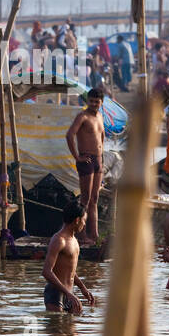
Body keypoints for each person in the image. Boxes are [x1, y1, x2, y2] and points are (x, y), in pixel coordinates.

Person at [66, 87, 106, 245]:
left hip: (98, 160)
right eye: (91, 101)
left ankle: (94, 235)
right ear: (87, 101)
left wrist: (101, 157)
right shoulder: (82, 116)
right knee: (85, 199)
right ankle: (81, 235)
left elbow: (102, 136)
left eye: (97, 102)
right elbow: (69, 134)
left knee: (95, 199)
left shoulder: (100, 117)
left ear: (101, 103)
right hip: (86, 160)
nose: (94, 104)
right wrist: (77, 156)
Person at [42, 202, 95, 313]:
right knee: (57, 327)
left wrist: (82, 288)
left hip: (69, 293)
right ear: (77, 220)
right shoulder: (59, 240)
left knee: (71, 329)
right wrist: (68, 293)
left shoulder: (74, 241)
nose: (84, 224)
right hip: (55, 294)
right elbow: (46, 271)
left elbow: (70, 271)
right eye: (83, 220)